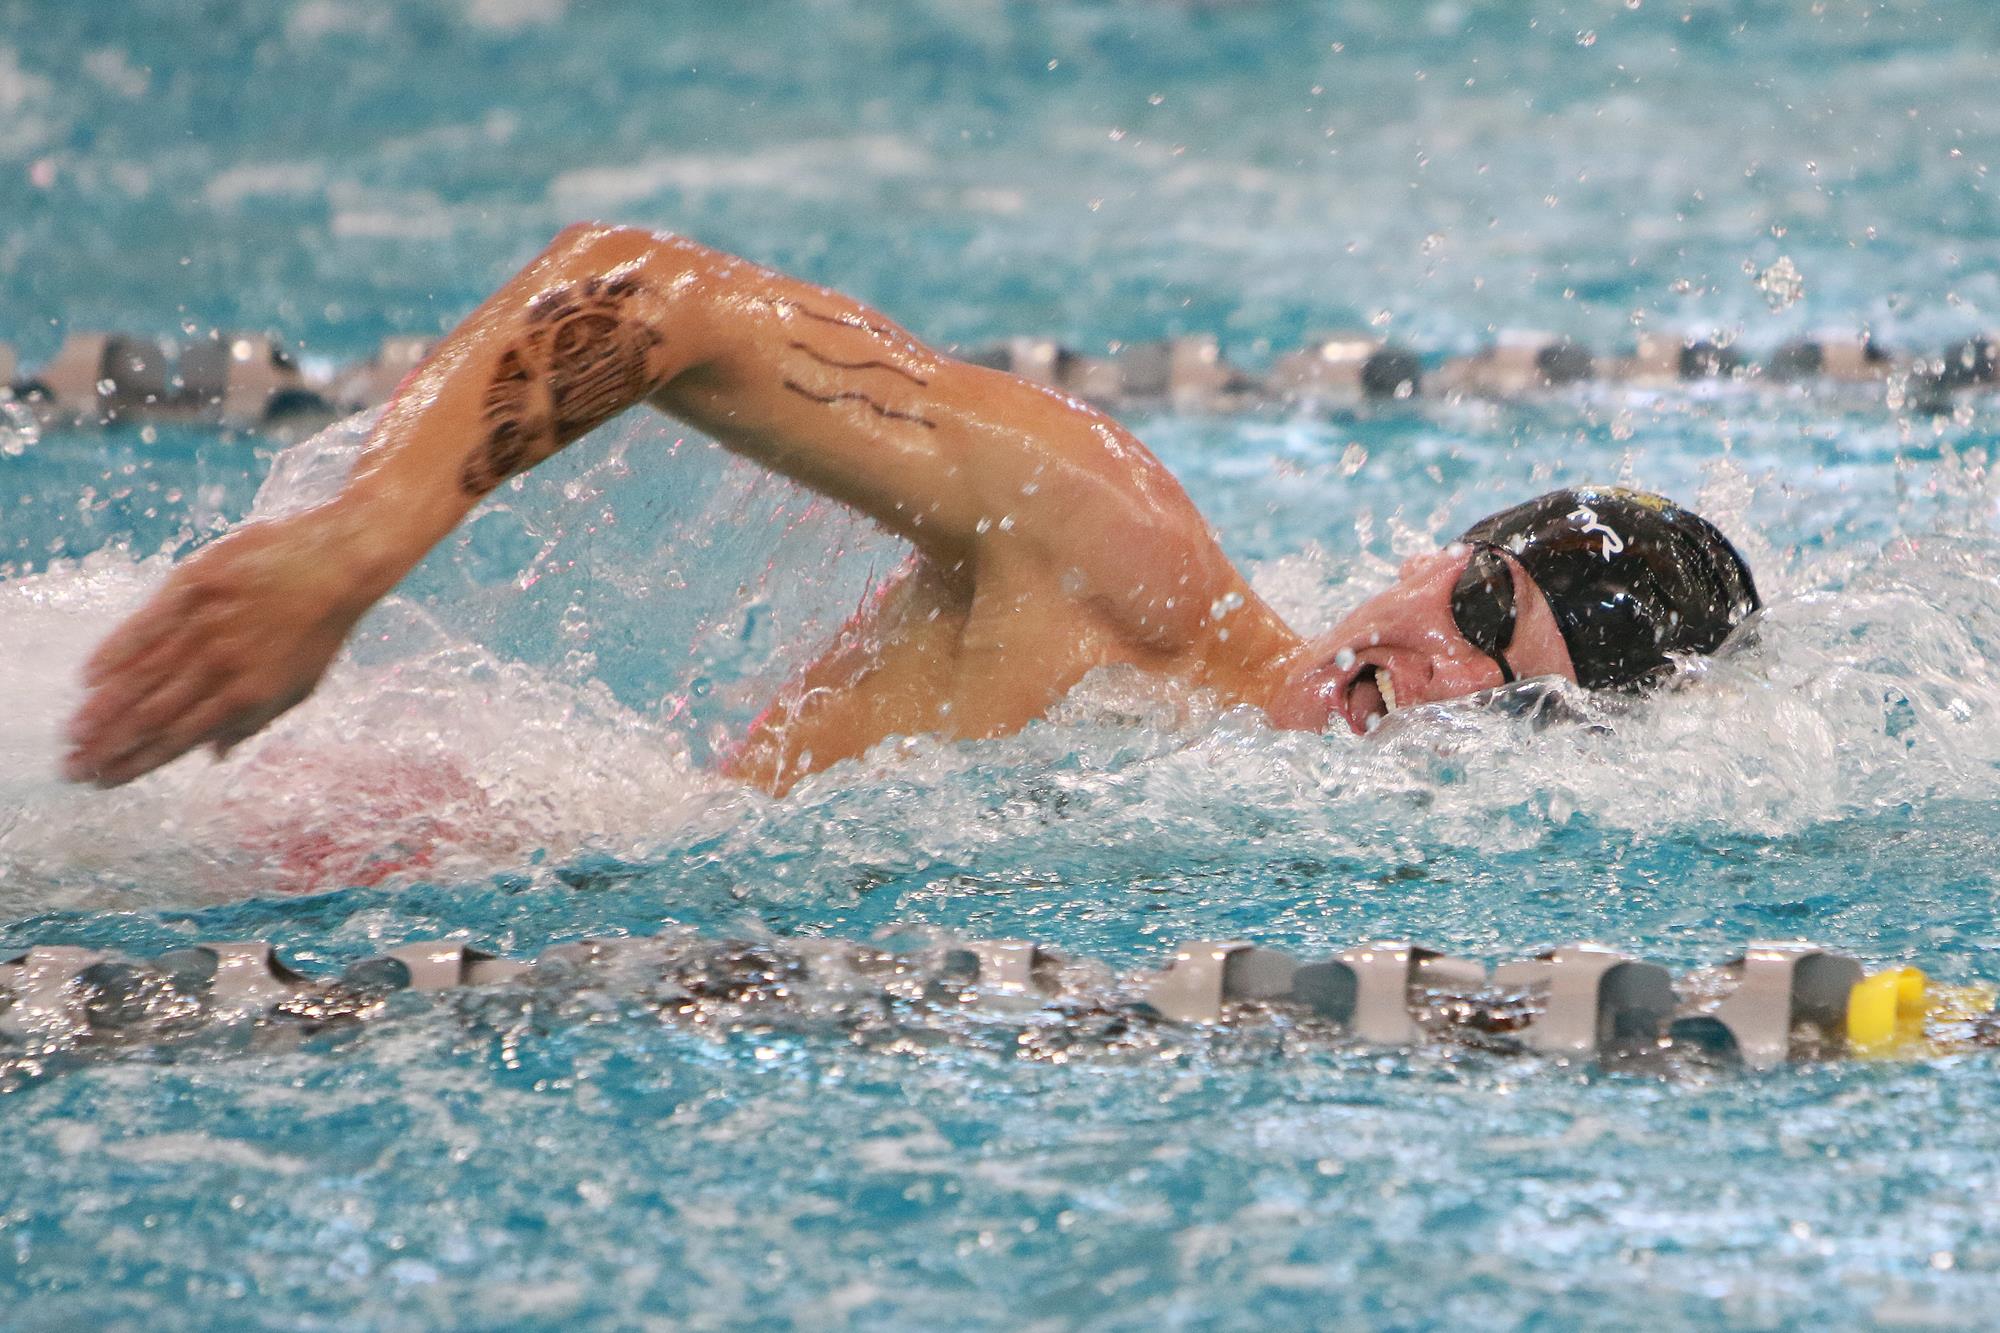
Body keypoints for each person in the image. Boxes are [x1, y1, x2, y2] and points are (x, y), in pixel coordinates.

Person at [62, 224, 1761, 796]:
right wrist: (352, 550)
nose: (1445, 674)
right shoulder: (1118, 555)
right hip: (303, 786)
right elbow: (649, 294)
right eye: (1481, 609)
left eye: (1512, 698)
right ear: (1432, 554)